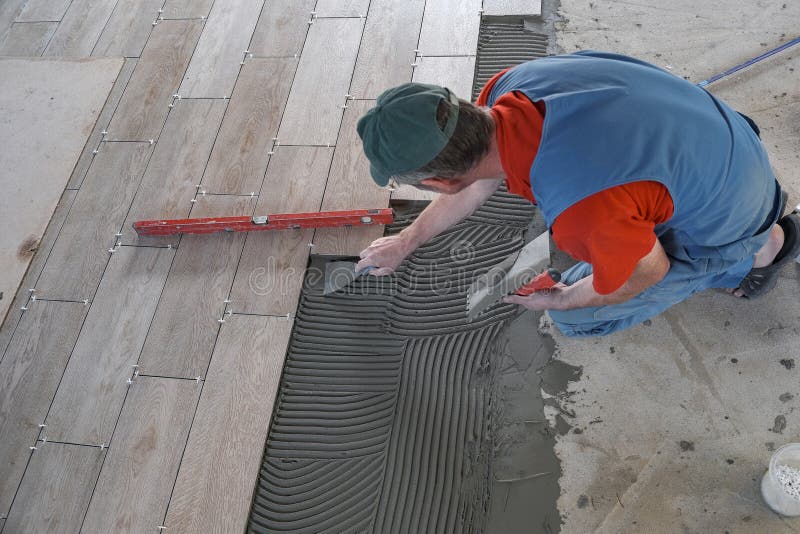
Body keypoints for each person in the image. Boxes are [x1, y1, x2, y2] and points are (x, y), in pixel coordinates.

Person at [355, 51, 800, 337]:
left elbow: (646, 273)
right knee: (602, 250)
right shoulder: (512, 86)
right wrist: (405, 241)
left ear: (438, 182)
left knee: (576, 316)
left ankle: (761, 252)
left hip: (734, 206)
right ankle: (756, 233)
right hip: (722, 142)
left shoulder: (582, 209)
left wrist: (563, 298)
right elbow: (477, 175)